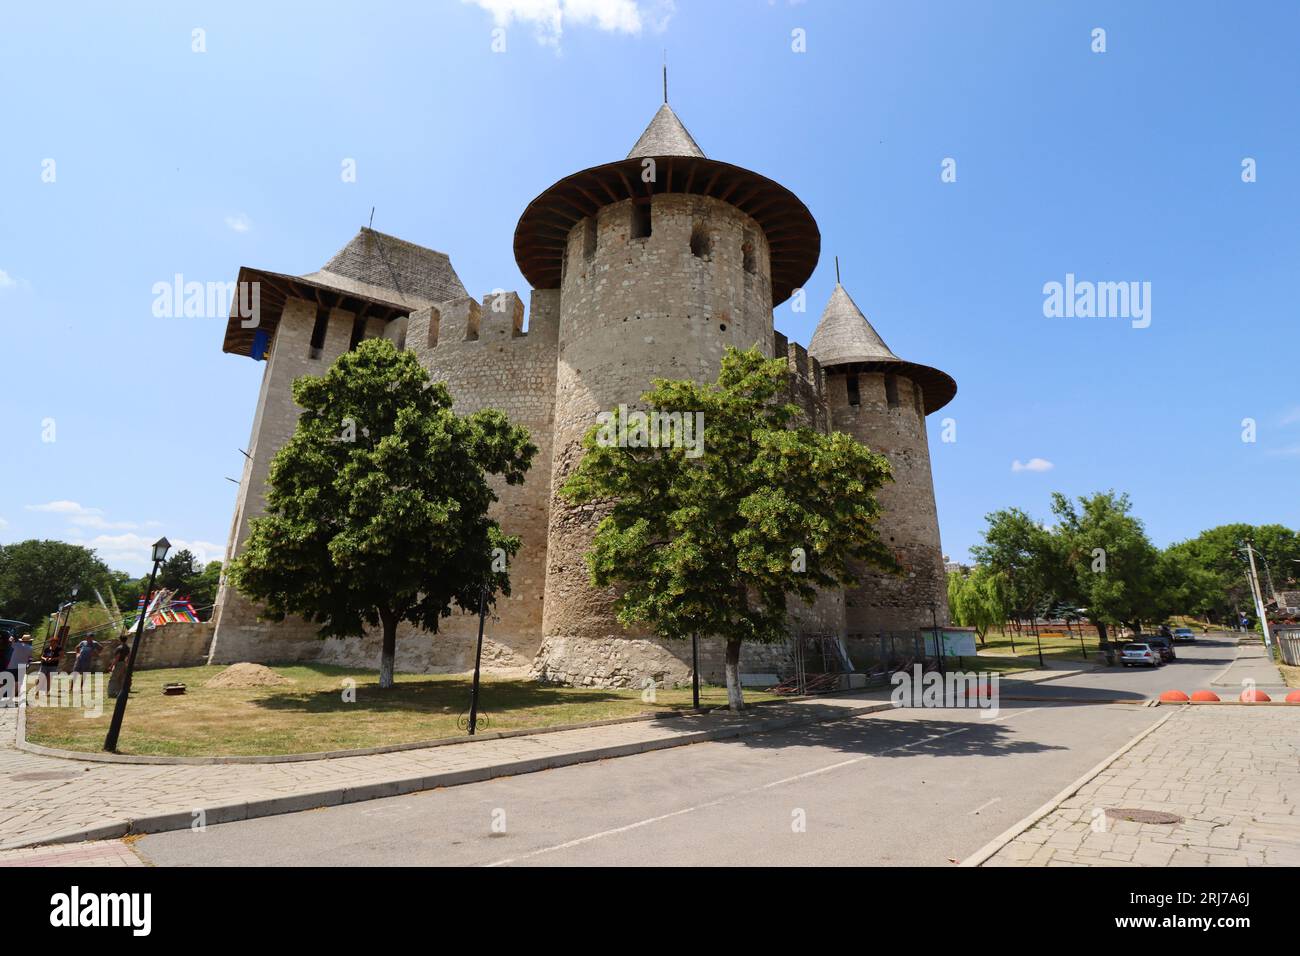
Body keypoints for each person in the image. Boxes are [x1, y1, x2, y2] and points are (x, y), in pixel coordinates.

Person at [4, 635, 33, 702]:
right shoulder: (30, 648)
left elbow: (10, 641)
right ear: (29, 641)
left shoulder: (16, 645)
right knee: (17, 683)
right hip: (22, 667)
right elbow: (30, 658)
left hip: (12, 665)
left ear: (22, 640)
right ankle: (11, 699)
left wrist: (11, 637)